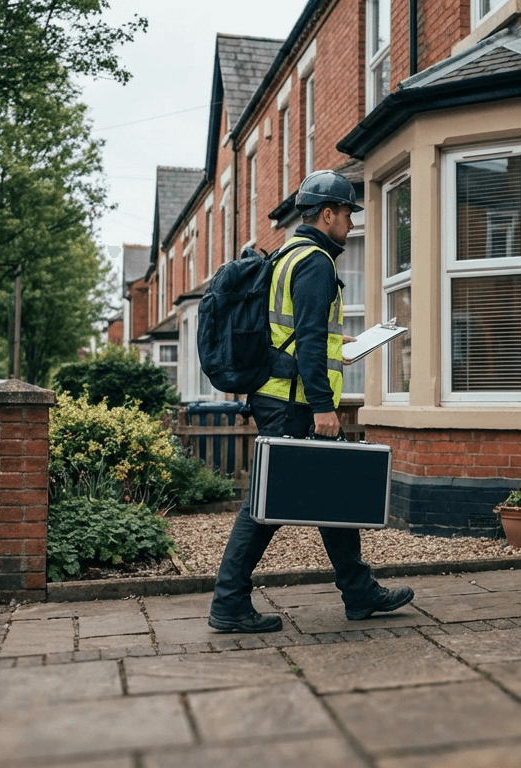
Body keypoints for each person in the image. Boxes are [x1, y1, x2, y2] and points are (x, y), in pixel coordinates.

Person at [208, 170, 414, 633]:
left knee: (333, 489)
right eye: (346, 213)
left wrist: (332, 342)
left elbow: (298, 334)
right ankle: (228, 603)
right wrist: (323, 407)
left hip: (283, 397)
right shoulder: (316, 262)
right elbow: (304, 339)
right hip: (294, 404)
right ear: (327, 213)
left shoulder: (287, 255)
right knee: (264, 504)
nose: (350, 222)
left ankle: (359, 592)